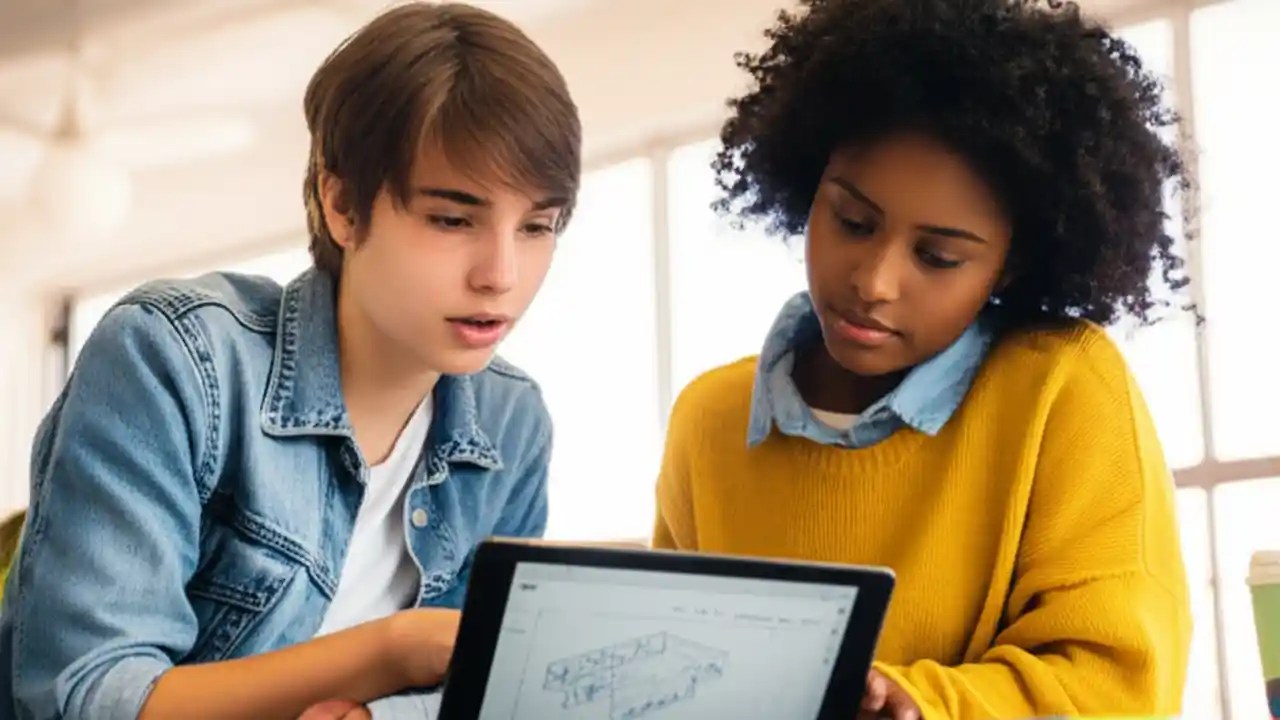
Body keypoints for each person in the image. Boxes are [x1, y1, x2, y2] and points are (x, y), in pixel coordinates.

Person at [0, 3, 580, 719]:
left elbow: (486, 694)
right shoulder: (177, 362)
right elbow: (84, 699)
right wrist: (387, 652)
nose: (501, 273)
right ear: (342, 206)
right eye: (452, 219)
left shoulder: (511, 424)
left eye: (536, 227)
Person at [652, 1, 1192, 718]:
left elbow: (1120, 684)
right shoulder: (709, 418)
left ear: (1008, 266)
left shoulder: (1061, 387)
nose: (874, 283)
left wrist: (918, 701)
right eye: (852, 220)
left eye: (937, 257)